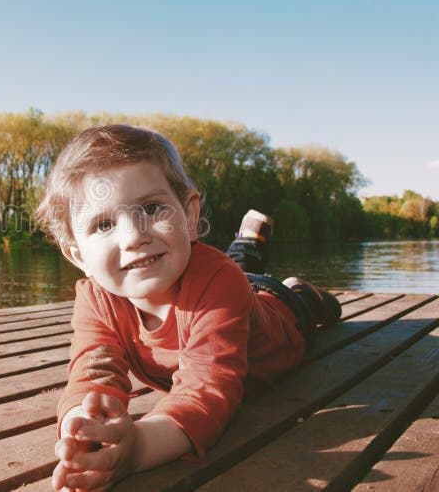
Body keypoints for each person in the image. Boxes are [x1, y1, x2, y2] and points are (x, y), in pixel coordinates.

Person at [33, 124, 341, 491]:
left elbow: (207, 392)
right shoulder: (97, 297)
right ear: (77, 255)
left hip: (282, 316)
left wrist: (137, 448)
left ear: (190, 215)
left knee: (282, 293)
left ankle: (299, 288)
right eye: (104, 224)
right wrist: (85, 422)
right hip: (224, 278)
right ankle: (247, 243)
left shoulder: (218, 282)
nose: (134, 236)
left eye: (150, 207)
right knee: (235, 267)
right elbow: (92, 370)